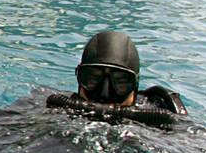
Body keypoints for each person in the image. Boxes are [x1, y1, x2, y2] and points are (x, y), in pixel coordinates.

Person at [57, 30, 186, 117]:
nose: (104, 93)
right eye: (93, 79)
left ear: (135, 86)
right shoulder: (56, 109)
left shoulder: (159, 117)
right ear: (79, 79)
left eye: (120, 83)